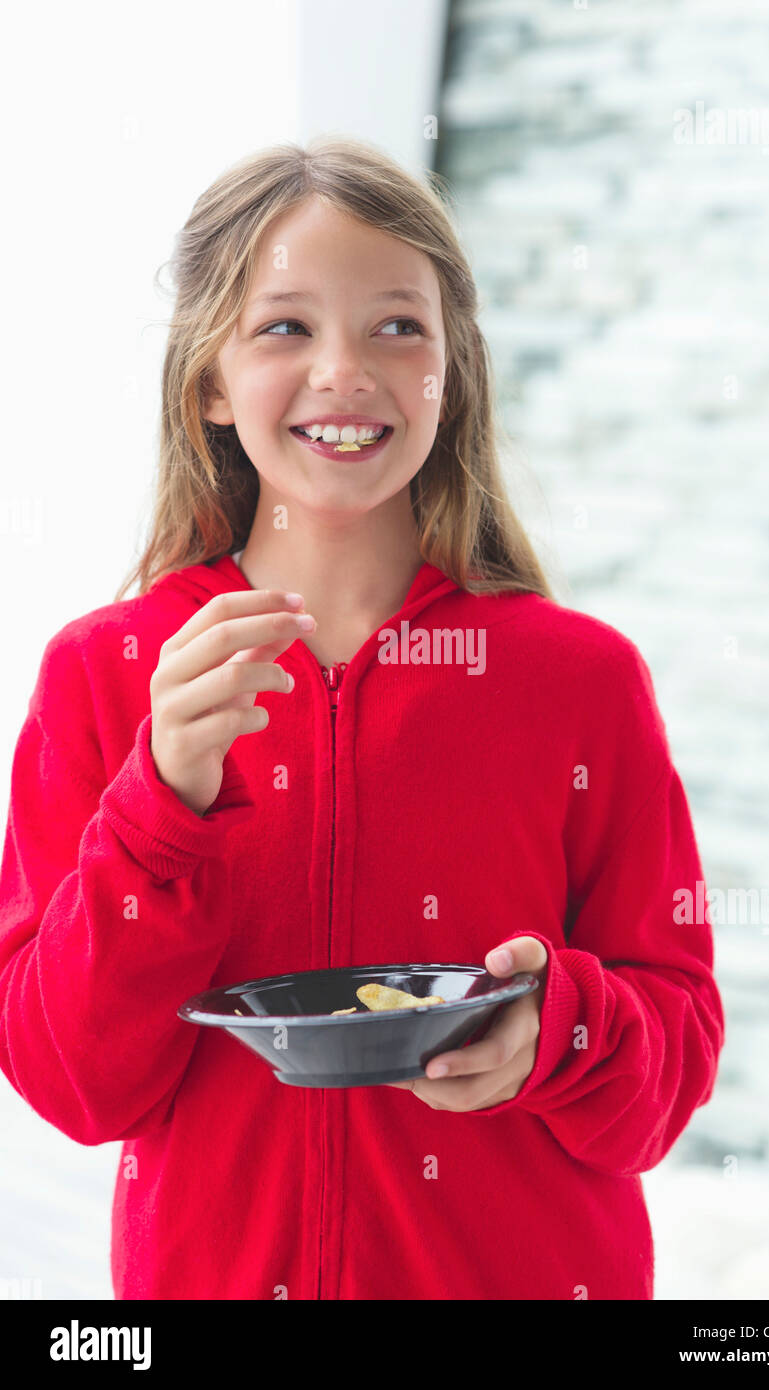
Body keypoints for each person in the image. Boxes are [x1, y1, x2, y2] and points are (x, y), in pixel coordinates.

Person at [0, 137, 724, 1300]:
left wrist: (560, 1031)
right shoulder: (106, 673)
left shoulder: (581, 680)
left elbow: (675, 1055)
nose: (346, 369)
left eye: (398, 326)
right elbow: (71, 1085)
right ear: (210, 383)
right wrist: (157, 806)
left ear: (453, 372)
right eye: (285, 327)